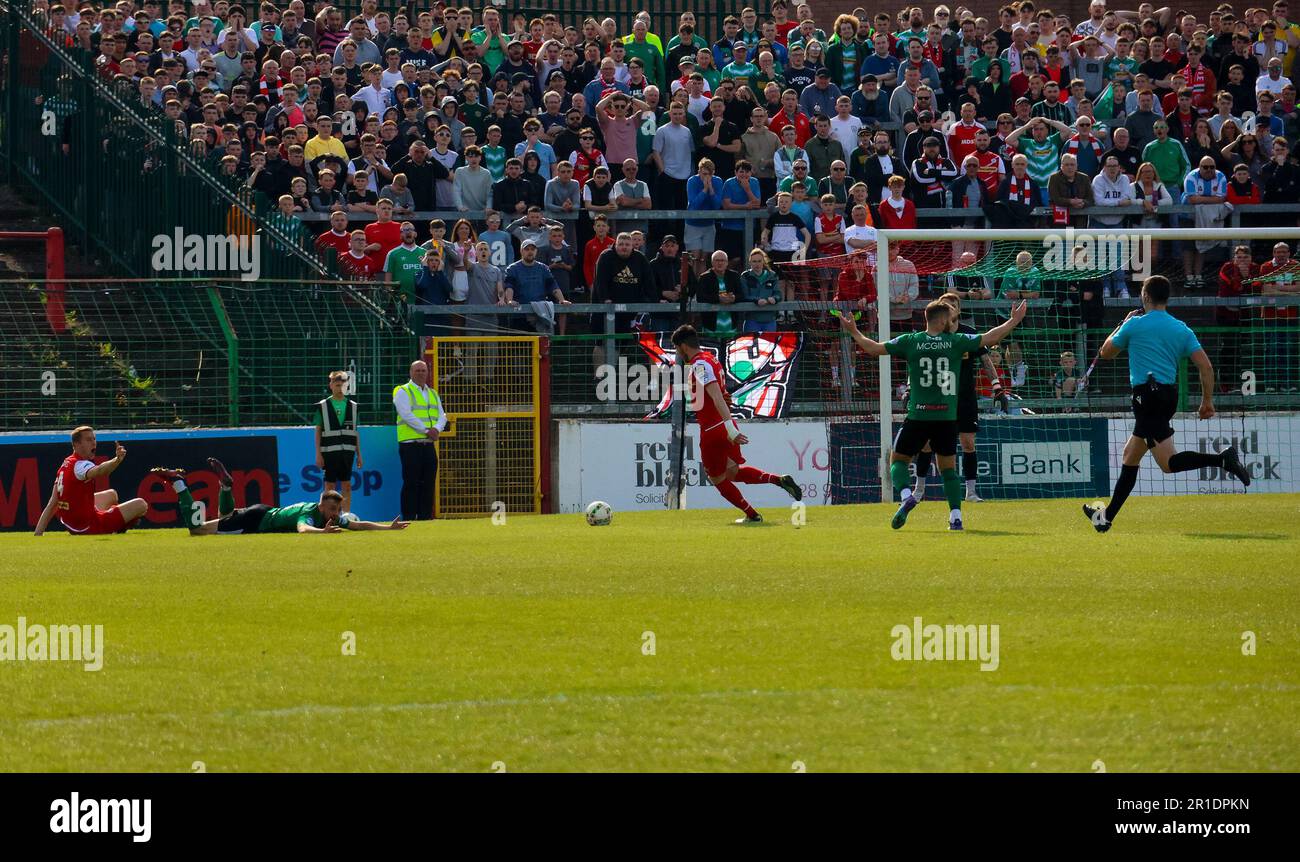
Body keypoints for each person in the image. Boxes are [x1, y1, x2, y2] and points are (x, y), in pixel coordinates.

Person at [839, 298, 1029, 531]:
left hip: (918, 417)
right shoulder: (956, 342)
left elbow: (873, 348)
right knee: (948, 469)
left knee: (897, 461)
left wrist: (854, 331)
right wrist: (1014, 320)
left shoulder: (911, 341)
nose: (953, 322)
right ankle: (956, 517)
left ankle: (908, 494)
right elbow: (991, 337)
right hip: (947, 418)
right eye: (950, 319)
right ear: (941, 321)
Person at [1084, 275, 1252, 533]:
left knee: (1168, 464)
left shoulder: (1135, 324)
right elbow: (1205, 367)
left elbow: (1105, 353)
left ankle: (1223, 460)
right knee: (1131, 455)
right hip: (1167, 396)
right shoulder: (1181, 328)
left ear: (1146, 296)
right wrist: (1207, 401)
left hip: (1146, 397)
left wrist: (1121, 326)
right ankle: (1104, 518)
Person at [669, 324, 802, 523]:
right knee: (732, 472)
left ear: (683, 346)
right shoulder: (711, 360)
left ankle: (752, 515)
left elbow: (715, 395)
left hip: (715, 429)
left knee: (717, 479)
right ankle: (778, 480)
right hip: (724, 425)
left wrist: (729, 429)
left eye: (677, 349)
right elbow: (719, 393)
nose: (678, 354)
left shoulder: (699, 365)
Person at [912, 293, 1003, 504]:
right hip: (938, 396)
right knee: (926, 444)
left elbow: (986, 361)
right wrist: (910, 388)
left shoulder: (969, 334)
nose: (950, 308)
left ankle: (970, 492)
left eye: (954, 305)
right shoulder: (932, 335)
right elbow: (917, 363)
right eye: (946, 305)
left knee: (968, 443)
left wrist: (997, 387)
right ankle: (919, 490)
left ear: (959, 310)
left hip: (964, 397)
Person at [151, 467, 407, 534]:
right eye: (332, 509)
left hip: (261, 512)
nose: (334, 514)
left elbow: (359, 525)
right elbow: (303, 529)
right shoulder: (310, 514)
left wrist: (388, 527)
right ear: (321, 506)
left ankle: (226, 487)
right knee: (197, 530)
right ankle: (179, 483)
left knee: (226, 516)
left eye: (337, 510)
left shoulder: (327, 515)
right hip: (256, 520)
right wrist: (322, 532)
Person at [33, 427, 149, 536]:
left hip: (70, 522)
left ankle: (114, 517)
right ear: (76, 444)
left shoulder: (67, 463)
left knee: (112, 494)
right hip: (88, 526)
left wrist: (38, 533)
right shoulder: (81, 465)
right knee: (141, 504)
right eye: (88, 440)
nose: (94, 442)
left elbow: (53, 502)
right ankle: (117, 525)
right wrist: (117, 460)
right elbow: (101, 471)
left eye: (94, 439)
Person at [393, 359, 447, 521]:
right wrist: (427, 430)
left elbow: (442, 415)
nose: (421, 373)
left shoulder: (432, 393)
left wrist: (437, 429)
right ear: (410, 373)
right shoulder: (403, 391)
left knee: (428, 482)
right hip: (411, 445)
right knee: (411, 482)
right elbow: (406, 414)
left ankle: (425, 517)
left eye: (423, 370)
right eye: (417, 370)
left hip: (428, 445)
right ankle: (409, 517)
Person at [314, 370, 362, 513]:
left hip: (347, 453)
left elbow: (355, 433)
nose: (340, 388)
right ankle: (325, 515)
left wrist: (359, 454)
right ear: (331, 385)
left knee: (346, 485)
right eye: (337, 385)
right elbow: (317, 431)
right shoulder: (322, 406)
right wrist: (318, 454)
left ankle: (345, 515)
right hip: (329, 453)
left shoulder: (353, 406)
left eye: (342, 385)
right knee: (329, 487)